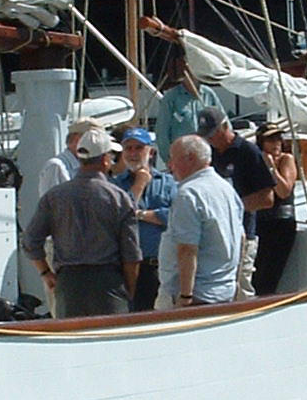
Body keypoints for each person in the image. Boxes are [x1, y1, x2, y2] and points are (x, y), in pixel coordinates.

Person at [20, 125, 140, 318]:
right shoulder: (119, 197)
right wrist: (129, 291)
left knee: (70, 335)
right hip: (108, 282)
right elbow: (131, 254)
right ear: (105, 159)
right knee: (109, 335)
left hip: (68, 284)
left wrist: (45, 273)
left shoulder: (55, 196)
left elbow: (30, 241)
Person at [157, 134, 243, 309]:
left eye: (172, 159)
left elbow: (187, 249)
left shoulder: (188, 194)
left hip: (196, 295)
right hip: (224, 291)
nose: (170, 165)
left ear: (190, 159)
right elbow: (241, 238)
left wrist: (185, 296)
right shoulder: (226, 189)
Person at [196, 105, 273, 299]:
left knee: (242, 287)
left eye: (213, 134)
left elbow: (267, 198)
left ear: (224, 127)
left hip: (243, 233)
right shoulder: (208, 154)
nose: (210, 140)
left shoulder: (248, 152)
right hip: (214, 237)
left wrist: (229, 206)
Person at [114, 127, 176, 311]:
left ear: (151, 152)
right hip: (126, 269)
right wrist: (139, 184)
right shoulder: (115, 185)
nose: (133, 153)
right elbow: (119, 216)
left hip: (159, 267)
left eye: (139, 148)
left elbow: (174, 216)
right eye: (128, 148)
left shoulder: (167, 183)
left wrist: (140, 214)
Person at [251, 119, 300, 296]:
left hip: (281, 223)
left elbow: (284, 191)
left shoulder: (286, 159)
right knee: (255, 273)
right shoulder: (255, 162)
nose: (276, 143)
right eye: (271, 140)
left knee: (270, 274)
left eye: (278, 139)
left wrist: (271, 168)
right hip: (260, 223)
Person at [154, 63, 221, 151]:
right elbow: (162, 132)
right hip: (181, 154)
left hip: (206, 152)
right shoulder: (171, 98)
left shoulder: (209, 94)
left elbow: (222, 123)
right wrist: (169, 157)